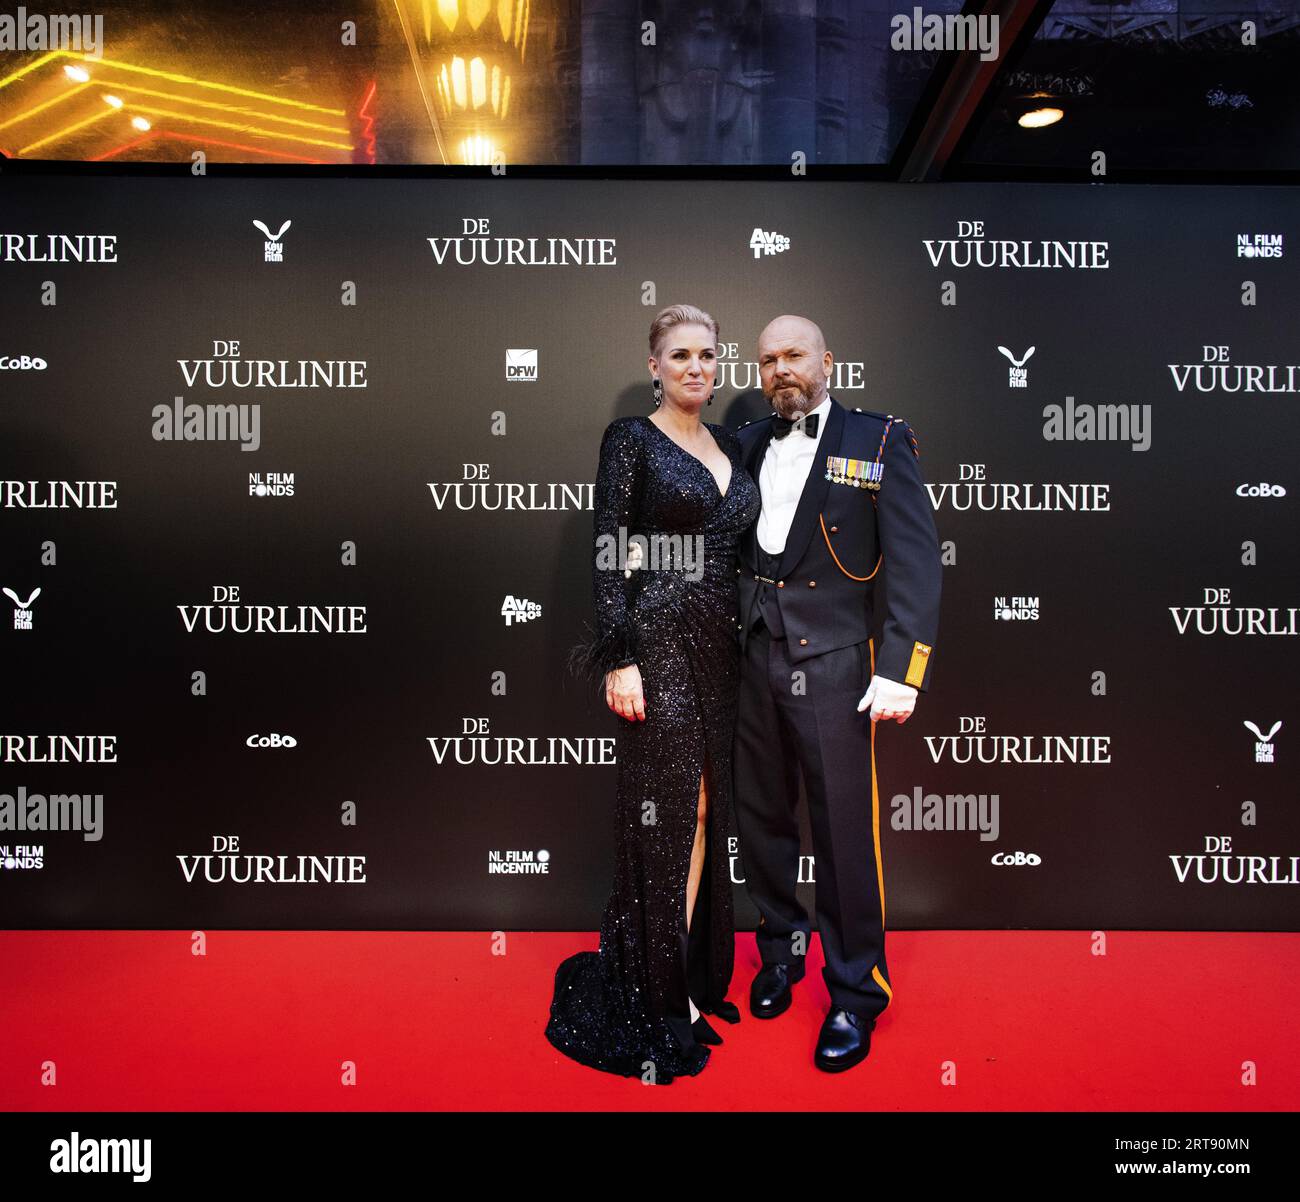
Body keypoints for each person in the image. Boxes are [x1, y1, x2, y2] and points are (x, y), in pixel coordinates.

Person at [545, 304, 761, 1084]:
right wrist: (620, 657)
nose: (697, 367)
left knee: (705, 809)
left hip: (721, 644)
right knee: (669, 813)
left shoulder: (732, 446)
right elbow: (610, 549)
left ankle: (690, 976)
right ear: (655, 365)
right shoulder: (630, 441)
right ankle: (655, 990)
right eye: (680, 355)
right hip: (659, 637)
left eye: (708, 354)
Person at [732, 314, 942, 1072]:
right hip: (752, 658)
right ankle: (781, 957)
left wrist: (902, 667)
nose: (780, 369)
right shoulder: (747, 443)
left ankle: (856, 994)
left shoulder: (880, 440)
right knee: (762, 823)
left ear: (828, 361)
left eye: (793, 355)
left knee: (845, 837)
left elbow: (917, 562)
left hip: (837, 667)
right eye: (766, 361)